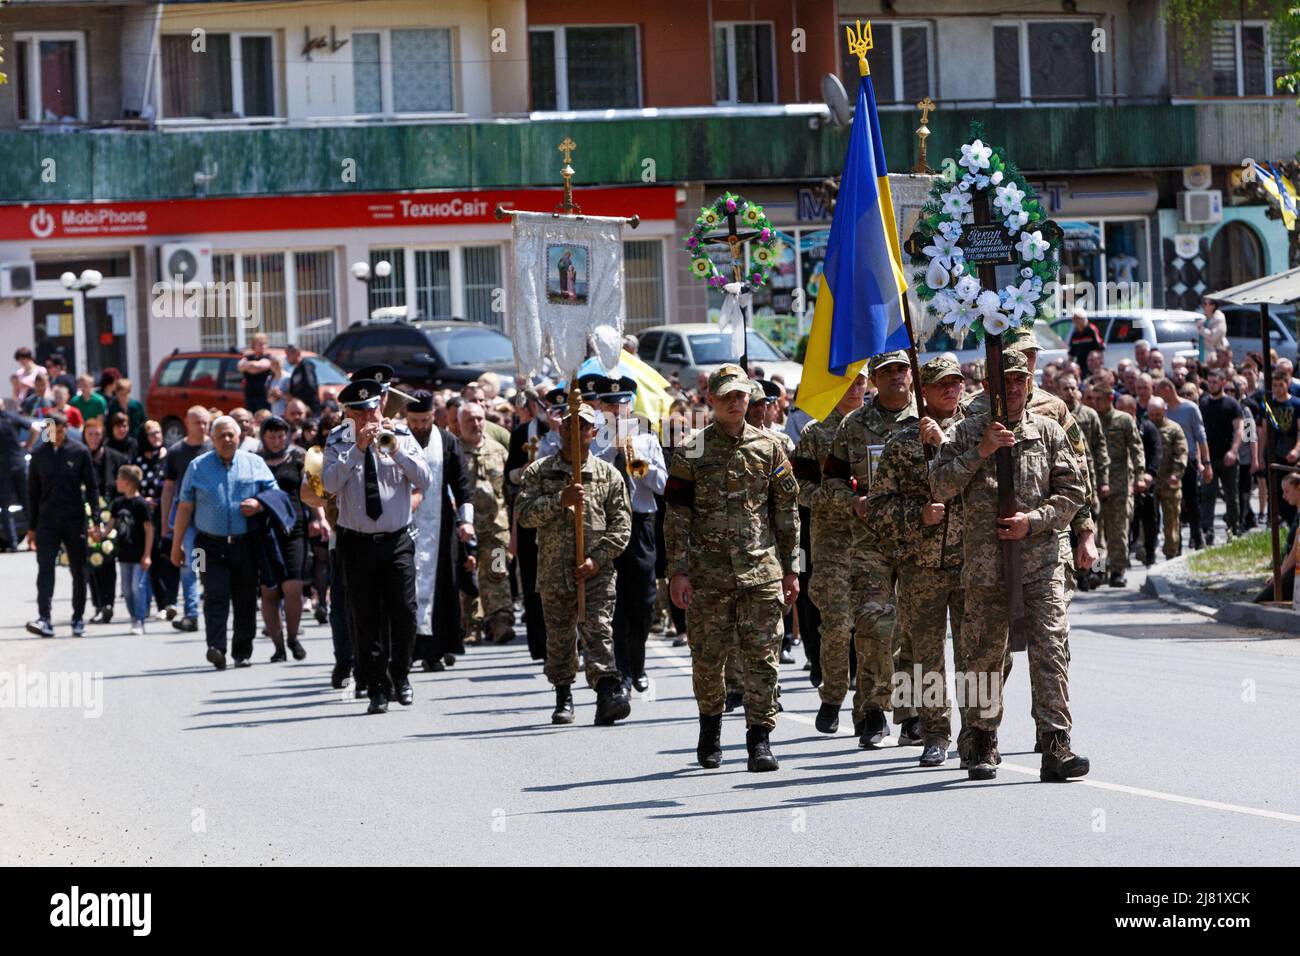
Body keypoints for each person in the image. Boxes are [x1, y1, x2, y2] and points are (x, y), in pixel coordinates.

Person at [930, 348, 1089, 783]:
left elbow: (1074, 490)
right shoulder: (965, 431)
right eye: (1006, 381)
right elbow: (940, 486)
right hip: (984, 566)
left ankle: (1056, 744)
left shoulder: (1049, 430)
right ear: (989, 386)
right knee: (982, 655)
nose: (1015, 388)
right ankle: (981, 742)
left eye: (1020, 379)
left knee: (1051, 649)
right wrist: (980, 452)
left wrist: (1034, 521)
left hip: (1041, 562)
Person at [665, 364, 799, 772]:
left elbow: (785, 510)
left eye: (741, 395)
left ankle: (759, 738)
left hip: (761, 571)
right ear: (711, 400)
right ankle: (710, 730)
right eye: (726, 396)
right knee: (708, 657)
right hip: (709, 574)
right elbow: (676, 516)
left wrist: (792, 568)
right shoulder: (692, 450)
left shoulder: (770, 447)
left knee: (763, 657)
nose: (735, 402)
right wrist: (678, 571)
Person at [867, 356, 966, 767]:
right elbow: (877, 509)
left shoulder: (978, 433)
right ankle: (936, 732)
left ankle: (979, 729)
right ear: (923, 390)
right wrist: (918, 516)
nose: (950, 388)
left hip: (971, 562)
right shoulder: (902, 443)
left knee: (981, 652)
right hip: (921, 566)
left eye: (956, 381)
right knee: (927, 655)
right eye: (941, 382)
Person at [819, 351, 918, 748]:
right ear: (874, 380)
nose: (896, 377)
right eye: (887, 372)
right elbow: (833, 481)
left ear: (911, 376)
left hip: (917, 542)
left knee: (915, 629)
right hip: (870, 541)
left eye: (901, 370)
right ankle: (874, 711)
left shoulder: (926, 418)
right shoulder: (854, 425)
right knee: (875, 626)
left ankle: (911, 714)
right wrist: (852, 502)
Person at [517, 400, 633, 727]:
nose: (576, 431)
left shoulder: (608, 475)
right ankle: (563, 693)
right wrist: (560, 500)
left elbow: (622, 525)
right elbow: (524, 515)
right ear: (560, 428)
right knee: (559, 637)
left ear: (593, 432)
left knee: (598, 629)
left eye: (583, 426)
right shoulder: (541, 471)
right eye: (570, 425)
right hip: (555, 571)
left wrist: (597, 560)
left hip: (596, 571)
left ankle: (607, 693)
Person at [323, 379, 432, 713]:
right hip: (355, 542)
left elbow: (424, 479)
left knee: (404, 612)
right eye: (357, 412)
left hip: (396, 538)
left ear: (379, 407)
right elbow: (328, 484)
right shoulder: (337, 441)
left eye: (369, 410)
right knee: (365, 617)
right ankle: (377, 688)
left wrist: (395, 450)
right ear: (347, 414)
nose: (364, 418)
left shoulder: (399, 435)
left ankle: (401, 675)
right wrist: (356, 449)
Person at [170, 416, 278, 670]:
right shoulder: (197, 467)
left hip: (246, 543)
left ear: (239, 436)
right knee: (213, 593)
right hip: (206, 544)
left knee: (245, 598)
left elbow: (275, 493)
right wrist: (177, 545)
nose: (227, 440)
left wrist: (260, 503)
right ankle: (216, 648)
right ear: (213, 439)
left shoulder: (255, 463)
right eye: (221, 436)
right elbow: (185, 507)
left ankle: (242, 652)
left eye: (231, 435)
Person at [589, 374, 667, 695]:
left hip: (640, 523)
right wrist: (611, 454)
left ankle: (639, 662)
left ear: (629, 405)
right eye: (608, 404)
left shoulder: (647, 437)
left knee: (644, 601)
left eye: (620, 404)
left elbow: (662, 485)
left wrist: (635, 461)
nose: (615, 411)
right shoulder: (594, 440)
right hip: (607, 524)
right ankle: (620, 671)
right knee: (615, 602)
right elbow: (591, 476)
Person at [791, 370, 867, 698]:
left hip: (872, 536)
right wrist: (832, 497)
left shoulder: (878, 426)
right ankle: (829, 677)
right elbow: (800, 486)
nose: (855, 388)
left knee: (872, 614)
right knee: (831, 613)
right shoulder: (815, 432)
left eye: (861, 381)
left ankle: (864, 684)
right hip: (829, 537)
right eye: (849, 381)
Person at [405, 391, 475, 674]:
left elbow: (462, 486)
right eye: (415, 420)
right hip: (402, 525)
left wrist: (465, 521)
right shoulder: (396, 440)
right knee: (405, 588)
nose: (420, 426)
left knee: (443, 586)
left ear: (433, 415)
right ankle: (405, 650)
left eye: (425, 420)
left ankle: (435, 650)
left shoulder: (447, 442)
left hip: (441, 525)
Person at [25, 412, 97, 638]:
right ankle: (44, 618)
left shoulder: (79, 452)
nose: (53, 434)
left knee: (78, 569)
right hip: (47, 521)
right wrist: (32, 527)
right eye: (49, 429)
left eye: (57, 428)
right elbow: (33, 494)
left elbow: (92, 488)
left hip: (74, 520)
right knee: (45, 568)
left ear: (65, 428)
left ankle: (77, 618)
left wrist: (95, 520)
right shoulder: (38, 455)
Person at [457, 401, 515, 645]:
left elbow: (511, 492)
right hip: (466, 530)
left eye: (479, 419)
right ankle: (471, 626)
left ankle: (501, 622)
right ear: (460, 423)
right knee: (467, 574)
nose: (476, 424)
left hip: (497, 529)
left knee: (498, 572)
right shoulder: (454, 451)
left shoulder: (499, 451)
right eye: (470, 419)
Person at [257, 417, 311, 663]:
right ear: (263, 437)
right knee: (270, 590)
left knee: (293, 587)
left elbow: (312, 490)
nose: (277, 441)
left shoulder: (298, 457)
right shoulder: (254, 460)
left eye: (281, 436)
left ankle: (292, 637)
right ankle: (278, 646)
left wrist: (319, 519)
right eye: (272, 437)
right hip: (265, 529)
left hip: (294, 526)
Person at [160, 406, 212, 632]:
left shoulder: (214, 447)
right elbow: (169, 488)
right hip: (187, 519)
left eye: (205, 423)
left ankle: (211, 608)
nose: (201, 427)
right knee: (190, 565)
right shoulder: (176, 451)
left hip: (212, 519)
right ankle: (191, 613)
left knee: (208, 566)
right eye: (197, 423)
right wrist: (165, 523)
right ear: (187, 424)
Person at [1089, 380, 1145, 586]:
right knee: (1095, 531)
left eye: (1099, 399)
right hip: (1094, 484)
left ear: (1110, 399)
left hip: (1119, 485)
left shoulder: (1124, 421)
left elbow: (1136, 448)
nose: (1095, 403)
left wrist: (1139, 475)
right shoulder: (1091, 419)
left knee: (1118, 531)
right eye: (1092, 399)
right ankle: (1098, 570)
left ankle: (1117, 571)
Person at [1057, 372, 1109, 588]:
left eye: (1072, 387)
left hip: (1089, 482)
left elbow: (1097, 449)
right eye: (1065, 388)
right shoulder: (1054, 414)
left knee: (1096, 531)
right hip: (1064, 485)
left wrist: (1101, 482)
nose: (1070, 392)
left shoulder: (1089, 415)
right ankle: (1080, 575)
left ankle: (1099, 572)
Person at [1155, 378, 1211, 551]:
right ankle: (1175, 542)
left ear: (1167, 390)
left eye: (1159, 391)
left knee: (1192, 500)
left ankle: (1197, 536)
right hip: (1168, 464)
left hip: (1190, 460)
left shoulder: (1190, 408)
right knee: (1173, 504)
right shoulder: (1162, 410)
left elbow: (1201, 436)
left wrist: (1206, 463)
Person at [83, 417, 127, 624]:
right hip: (88, 518)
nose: (93, 439)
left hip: (112, 517)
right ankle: (98, 605)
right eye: (89, 434)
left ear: (103, 436)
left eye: (97, 434)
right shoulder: (80, 457)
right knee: (92, 563)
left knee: (108, 561)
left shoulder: (117, 458)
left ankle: (108, 604)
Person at [133, 421, 177, 620]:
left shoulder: (168, 457)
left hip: (165, 515)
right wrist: (143, 500)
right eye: (151, 434)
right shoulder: (137, 459)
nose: (156, 437)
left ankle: (169, 602)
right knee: (152, 562)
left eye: (158, 433)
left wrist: (159, 501)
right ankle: (155, 604)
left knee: (168, 560)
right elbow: (132, 485)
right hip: (144, 517)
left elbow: (172, 485)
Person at [106, 465, 153, 635]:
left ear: (127, 482)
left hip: (139, 554)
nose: (116, 482)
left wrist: (147, 554)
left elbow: (149, 530)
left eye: (119, 478)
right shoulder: (118, 503)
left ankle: (139, 619)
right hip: (124, 554)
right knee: (126, 590)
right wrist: (98, 534)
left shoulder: (141, 504)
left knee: (136, 587)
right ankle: (134, 616)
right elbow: (108, 528)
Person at [1198, 368, 1243, 544]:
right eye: (1209, 381)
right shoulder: (1203, 404)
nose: (1212, 384)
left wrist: (1234, 451)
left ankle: (1233, 528)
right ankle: (1207, 531)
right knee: (1207, 495)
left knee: (1232, 496)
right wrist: (1202, 458)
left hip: (1228, 458)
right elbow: (1199, 432)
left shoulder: (1232, 405)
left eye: (1215, 381)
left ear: (1223, 382)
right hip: (1209, 458)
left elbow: (1240, 430)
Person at [1121, 394, 1162, 566]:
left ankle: (1150, 554)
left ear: (1132, 411)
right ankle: (1120, 562)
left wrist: (1149, 474)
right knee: (1123, 524)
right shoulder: (1113, 428)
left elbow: (1156, 452)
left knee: (1149, 520)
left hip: (1144, 484)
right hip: (1122, 483)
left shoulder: (1148, 428)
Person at [1148, 396, 1189, 561]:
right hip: (1150, 481)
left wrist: (1176, 474)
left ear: (1164, 410)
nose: (1154, 418)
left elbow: (1181, 452)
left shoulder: (1174, 429)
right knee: (1150, 521)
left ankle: (1171, 553)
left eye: (1157, 414)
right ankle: (1148, 552)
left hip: (1169, 481)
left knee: (1171, 520)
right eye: (1151, 414)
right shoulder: (1146, 427)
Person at [0, 405, 34, 551]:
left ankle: (13, 543)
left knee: (5, 507)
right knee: (26, 503)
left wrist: (27, 445)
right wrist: (27, 445)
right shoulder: (13, 417)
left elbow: (37, 428)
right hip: (19, 464)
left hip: (4, 468)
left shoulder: (12, 417)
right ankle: (35, 540)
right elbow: (36, 429)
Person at [238, 333, 275, 413]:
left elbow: (260, 366)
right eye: (260, 344)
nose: (263, 346)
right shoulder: (248, 357)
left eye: (264, 343)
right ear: (253, 345)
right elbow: (240, 367)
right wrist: (253, 366)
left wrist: (248, 366)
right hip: (250, 396)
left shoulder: (269, 357)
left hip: (264, 397)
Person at [285, 345, 321, 413]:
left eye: (288, 354)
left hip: (310, 408)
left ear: (297, 353)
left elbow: (311, 385)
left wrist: (301, 400)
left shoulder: (306, 365)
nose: (287, 358)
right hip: (300, 408)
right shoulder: (296, 371)